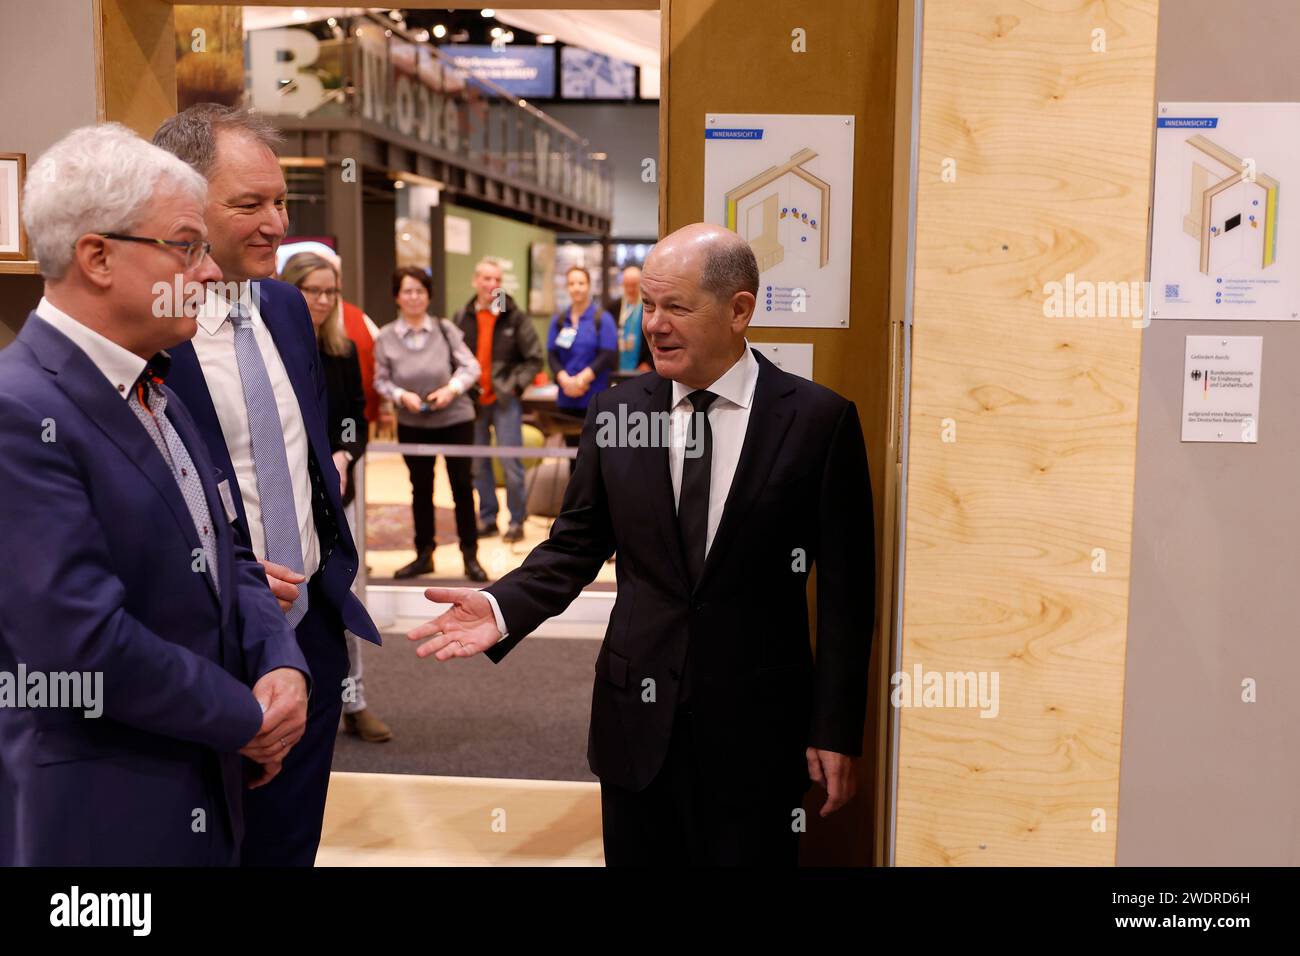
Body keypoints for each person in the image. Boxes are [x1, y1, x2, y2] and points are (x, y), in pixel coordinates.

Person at [407, 224, 875, 866]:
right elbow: (574, 545)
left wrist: (835, 728)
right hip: (637, 725)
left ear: (740, 310)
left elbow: (850, 599)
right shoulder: (618, 410)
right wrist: (500, 607)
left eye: (676, 307)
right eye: (648, 306)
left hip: (758, 733)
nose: (654, 324)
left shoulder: (818, 422)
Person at [0, 124, 309, 866]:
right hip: (102, 814)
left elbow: (228, 550)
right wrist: (247, 715)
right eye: (186, 246)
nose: (206, 273)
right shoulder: (19, 412)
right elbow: (82, 646)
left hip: (197, 786)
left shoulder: (153, 386)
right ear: (97, 256)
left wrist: (280, 660)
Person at [153, 104, 382, 867]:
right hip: (209, 639)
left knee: (289, 842)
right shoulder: (150, 333)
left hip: (311, 627)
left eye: (281, 201)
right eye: (249, 204)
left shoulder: (286, 308)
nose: (277, 224)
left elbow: (305, 449)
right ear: (180, 203)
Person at [281, 252, 393, 744]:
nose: (324, 301)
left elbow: (356, 422)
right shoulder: (271, 348)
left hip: (333, 500)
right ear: (290, 290)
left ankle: (354, 699)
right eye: (313, 291)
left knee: (342, 599)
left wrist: (345, 456)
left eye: (331, 291)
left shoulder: (341, 350)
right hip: (283, 498)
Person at [374, 266, 487, 582]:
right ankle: (424, 555)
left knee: (462, 488)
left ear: (428, 296)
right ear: (397, 297)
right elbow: (380, 380)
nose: (414, 297)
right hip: (412, 422)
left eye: (420, 291)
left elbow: (471, 367)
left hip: (455, 419)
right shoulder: (385, 337)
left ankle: (470, 556)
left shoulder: (445, 329)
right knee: (420, 490)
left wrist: (450, 390)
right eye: (407, 291)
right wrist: (400, 395)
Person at [452, 257, 544, 544]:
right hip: (474, 403)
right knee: (478, 465)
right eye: (486, 279)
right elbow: (452, 357)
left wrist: (515, 386)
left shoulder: (514, 316)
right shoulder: (461, 317)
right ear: (475, 281)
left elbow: (534, 358)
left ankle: (517, 520)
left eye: (496, 280)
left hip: (505, 401)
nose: (491, 285)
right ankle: (488, 518)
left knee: (511, 464)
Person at [547, 265, 618, 433]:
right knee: (570, 452)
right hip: (567, 396)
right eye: (571, 283)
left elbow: (607, 355)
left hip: (594, 396)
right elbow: (551, 355)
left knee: (593, 453)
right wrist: (565, 380)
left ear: (589, 286)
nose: (576, 288)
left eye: (581, 283)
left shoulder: (603, 318)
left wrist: (581, 380)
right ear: (566, 287)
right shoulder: (559, 319)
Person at [609, 264, 651, 372]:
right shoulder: (613, 307)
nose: (630, 289)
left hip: (642, 368)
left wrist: (649, 363)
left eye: (634, 285)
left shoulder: (649, 306)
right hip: (617, 368)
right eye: (626, 285)